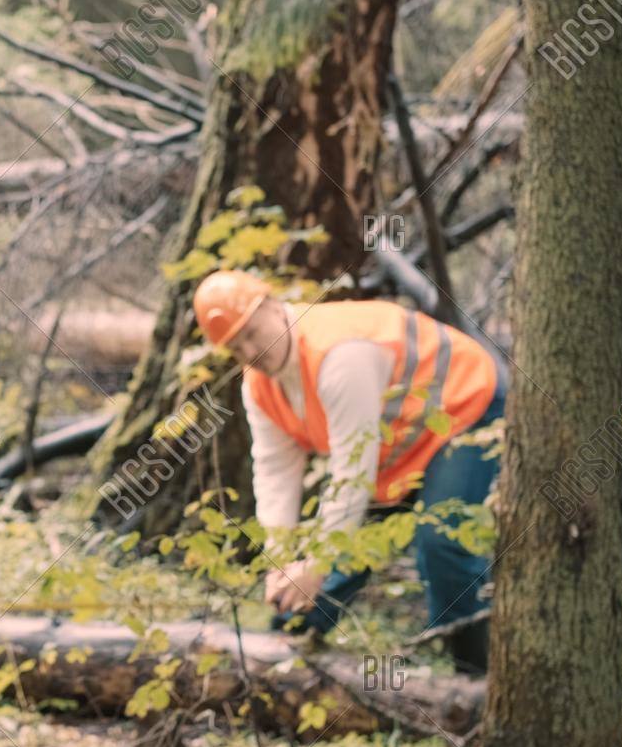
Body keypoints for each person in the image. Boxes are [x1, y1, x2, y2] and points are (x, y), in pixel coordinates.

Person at [192, 269, 507, 674]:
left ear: (273, 306)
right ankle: (288, 652)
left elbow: (352, 475)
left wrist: (317, 564)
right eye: (237, 348)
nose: (252, 351)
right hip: (396, 444)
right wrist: (282, 561)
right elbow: (274, 472)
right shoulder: (259, 386)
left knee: (441, 540)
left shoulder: (340, 355)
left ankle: (474, 677)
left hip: (464, 404)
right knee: (331, 558)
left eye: (253, 333)